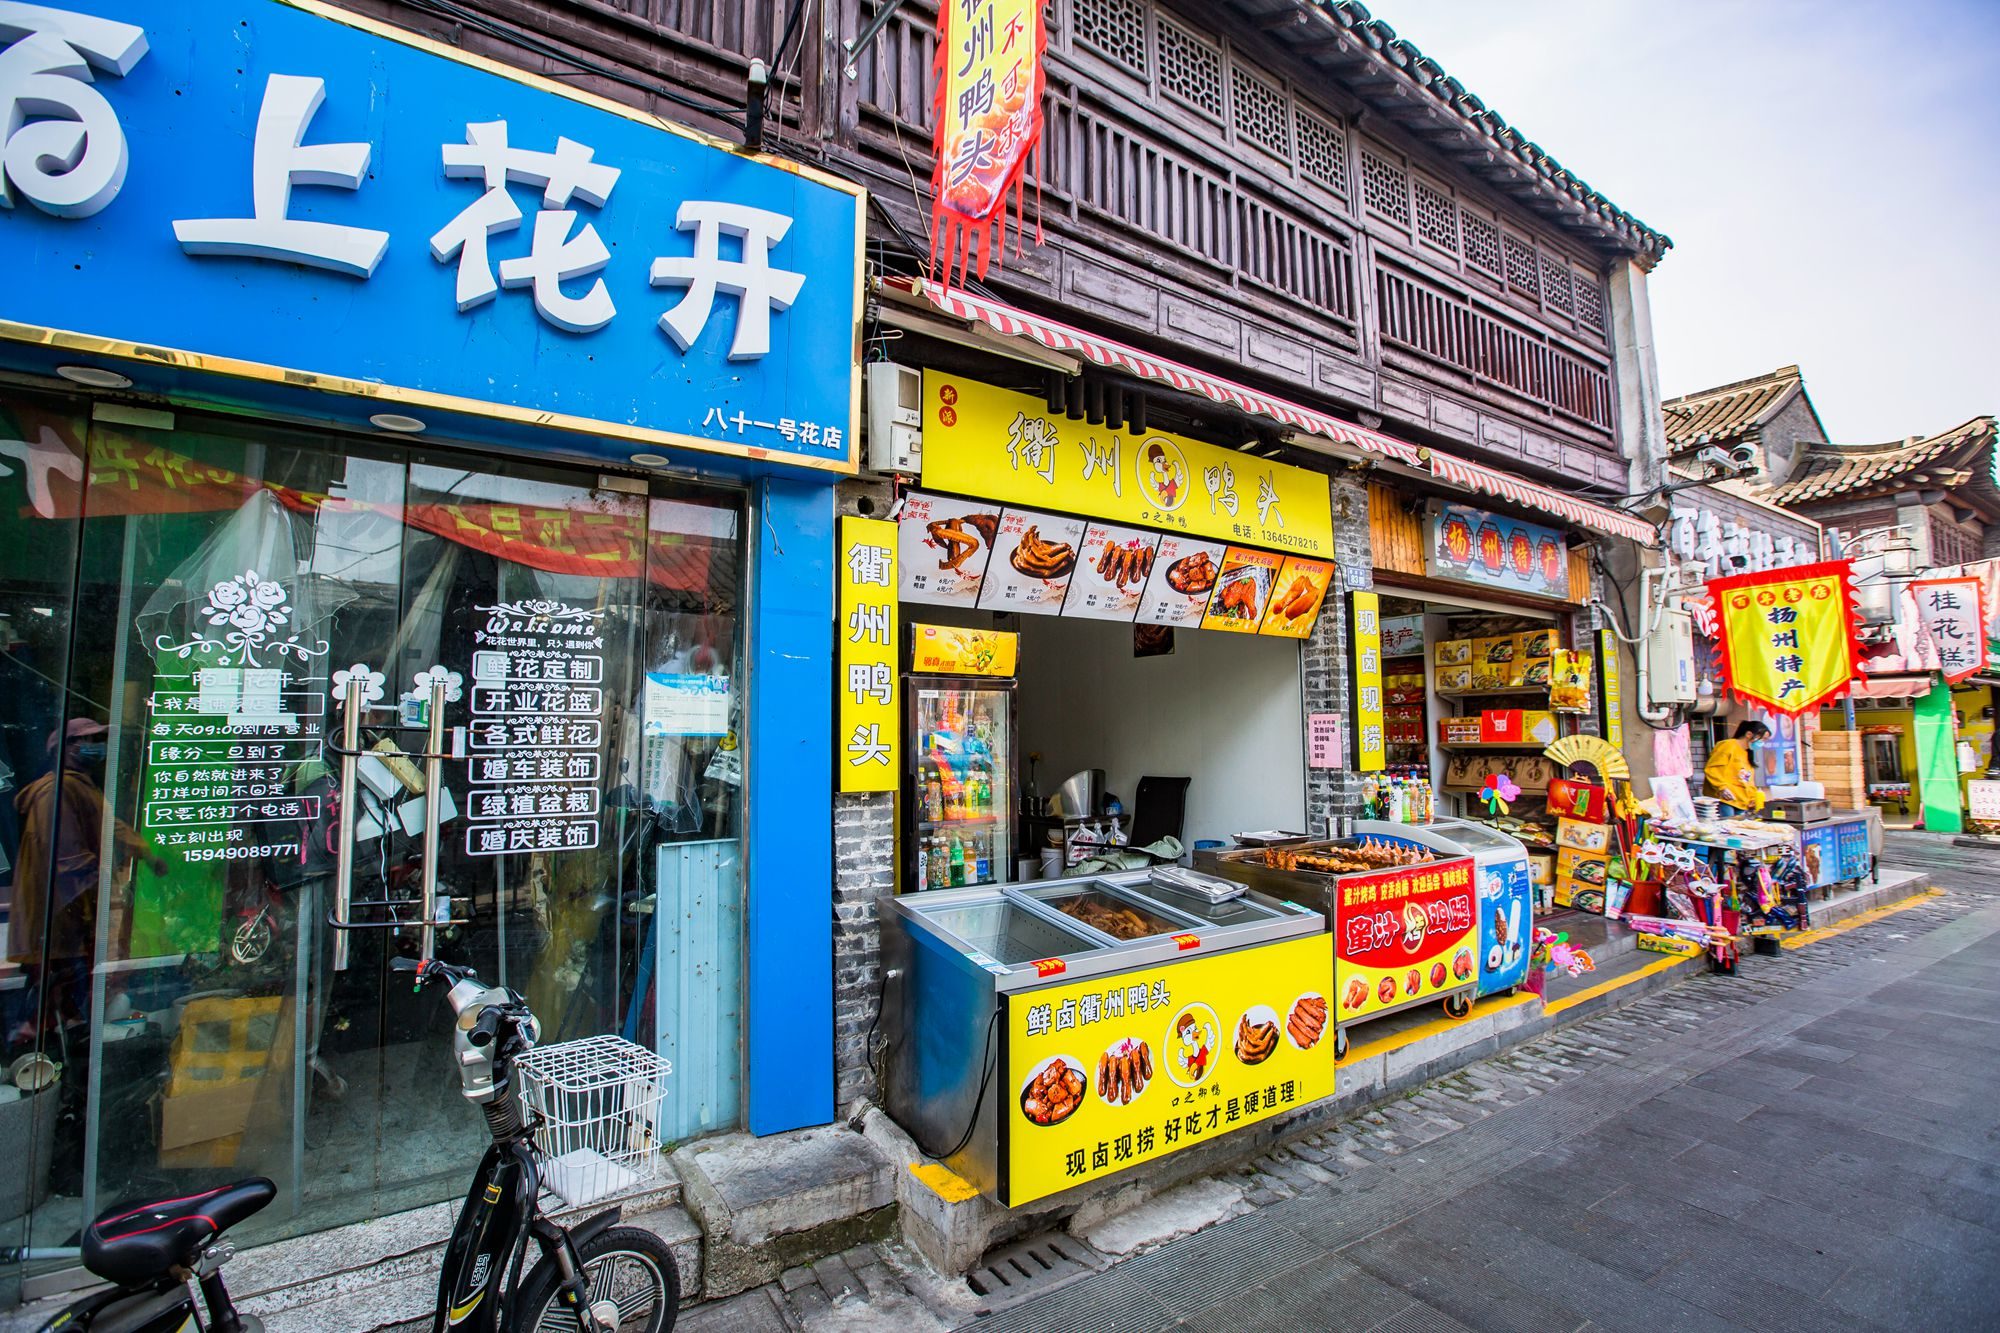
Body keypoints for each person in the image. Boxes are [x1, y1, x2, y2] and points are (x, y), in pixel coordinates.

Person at [12, 719, 164, 1025]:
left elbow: (112, 828)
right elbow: (68, 861)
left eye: (99, 739)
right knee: (54, 1005)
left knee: (71, 1002)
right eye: (88, 739)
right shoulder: (55, 792)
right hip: (57, 922)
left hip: (72, 924)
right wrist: (101, 891)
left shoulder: (80, 787)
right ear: (62, 749)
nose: (97, 745)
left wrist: (148, 854)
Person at [1704, 720, 1771, 815]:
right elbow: (1713, 768)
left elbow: (1748, 780)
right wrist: (1722, 787)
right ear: (1748, 734)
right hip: (1725, 799)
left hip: (1741, 801)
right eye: (1762, 739)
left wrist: (1752, 798)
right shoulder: (1728, 746)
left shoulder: (1747, 753)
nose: (1763, 743)